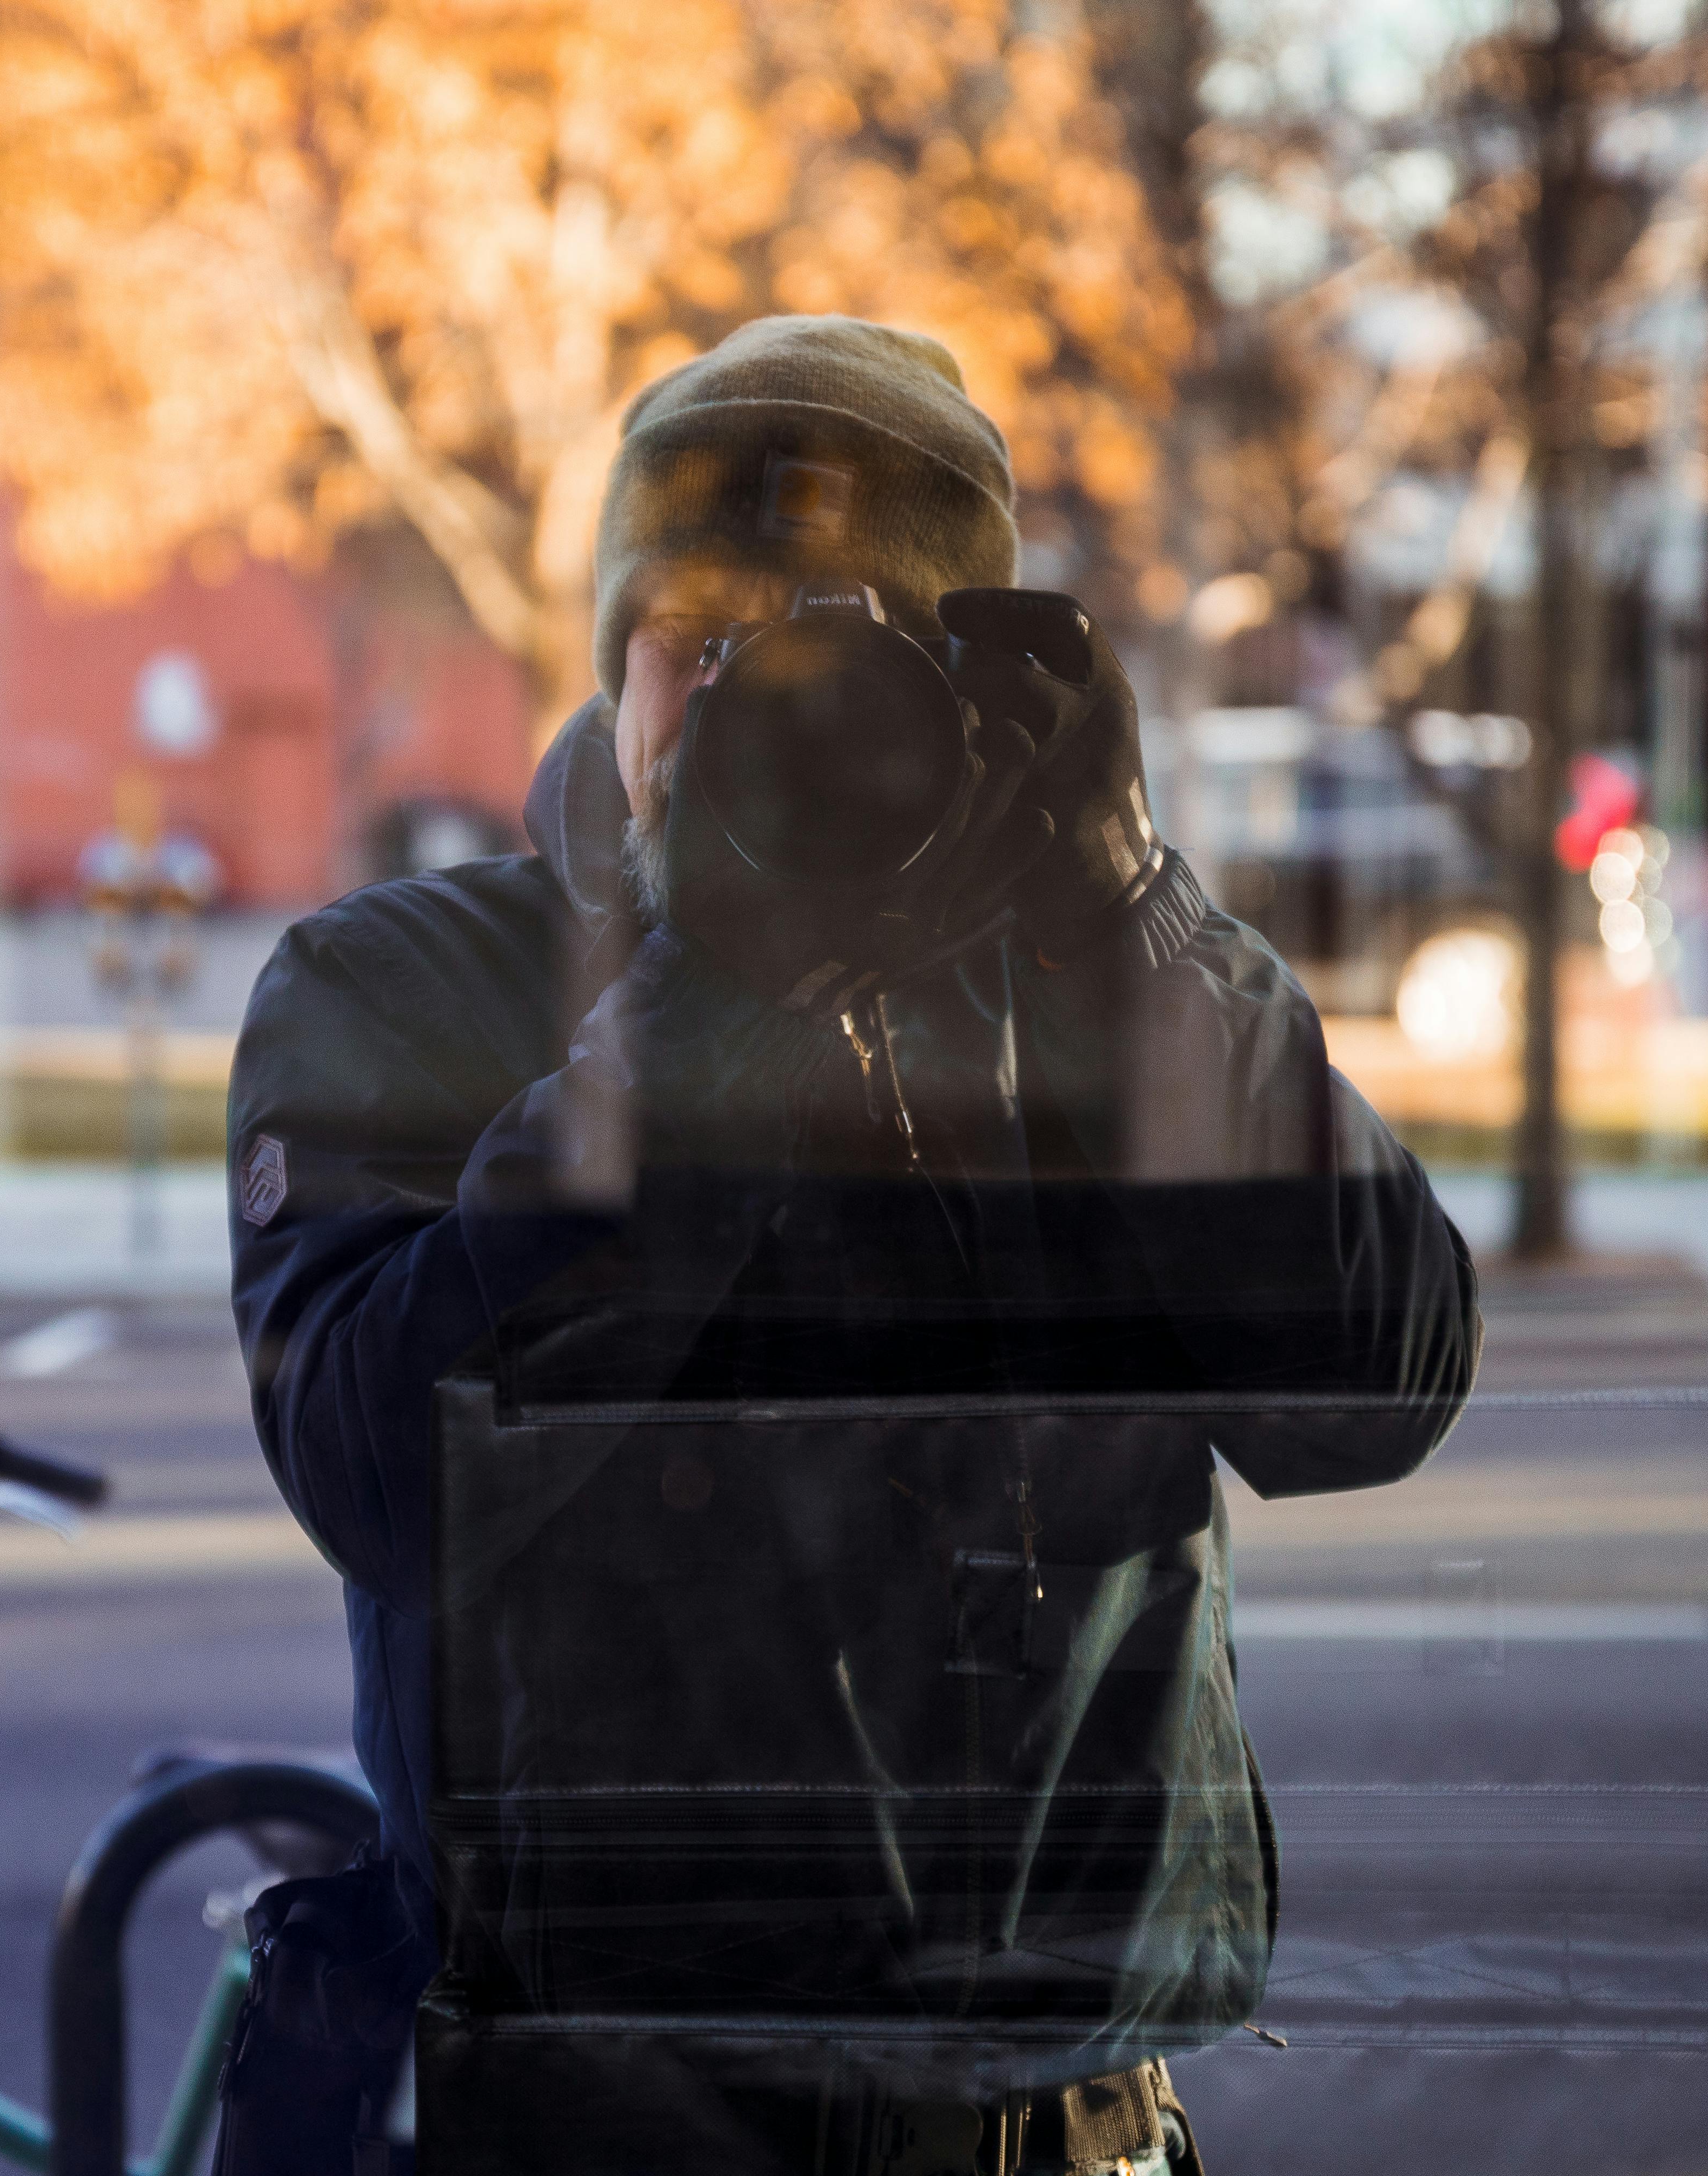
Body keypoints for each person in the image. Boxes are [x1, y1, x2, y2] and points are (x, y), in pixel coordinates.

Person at [228, 315, 1479, 2175]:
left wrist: (1128, 911)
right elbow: (378, 1470)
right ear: (615, 668)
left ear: (963, 703)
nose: (747, 707)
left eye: (826, 651)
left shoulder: (1099, 997)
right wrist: (711, 1005)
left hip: (1050, 2136)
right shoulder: (407, 989)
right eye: (699, 645)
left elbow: (1372, 1391)